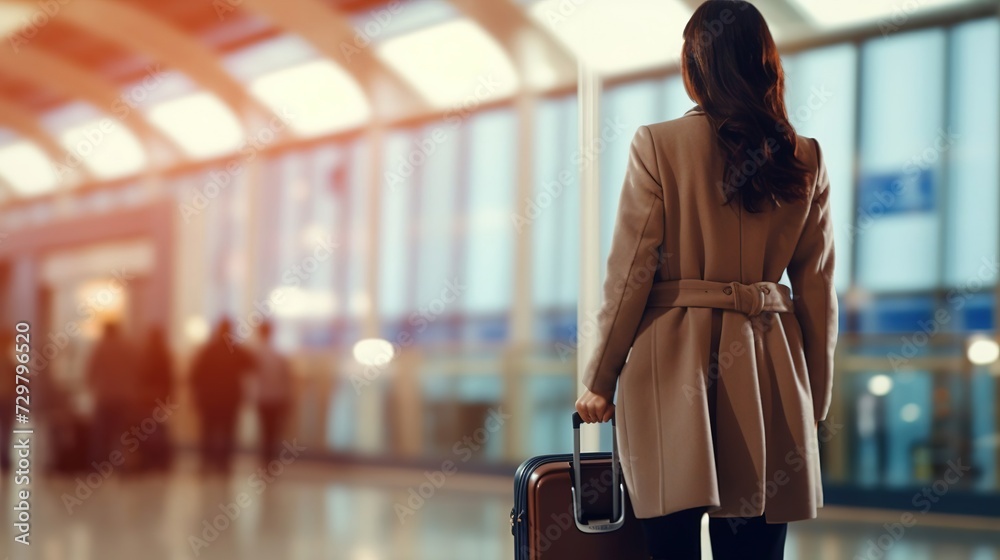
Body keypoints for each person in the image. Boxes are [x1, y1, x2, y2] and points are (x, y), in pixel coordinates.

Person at [574, 2, 837, 559]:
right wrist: (812, 396)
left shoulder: (658, 144)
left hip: (670, 371)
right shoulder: (804, 158)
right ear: (766, 64)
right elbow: (817, 289)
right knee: (756, 547)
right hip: (769, 373)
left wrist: (599, 379)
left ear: (696, 65)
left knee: (667, 544)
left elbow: (629, 275)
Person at [190, 318, 256, 474]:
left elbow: (194, 376)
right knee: (227, 432)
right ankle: (224, 464)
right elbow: (252, 364)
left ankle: (207, 462)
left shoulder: (209, 350)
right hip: (229, 399)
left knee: (208, 432)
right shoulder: (235, 350)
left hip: (210, 399)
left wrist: (197, 396)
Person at [86, 321, 139, 467]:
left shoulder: (101, 347)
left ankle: (99, 463)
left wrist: (91, 387)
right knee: (123, 433)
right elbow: (138, 370)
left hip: (105, 396)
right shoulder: (128, 347)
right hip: (124, 396)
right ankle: (123, 464)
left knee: (102, 434)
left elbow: (91, 370)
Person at [250, 320, 293, 467]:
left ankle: (265, 461)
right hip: (277, 397)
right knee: (273, 431)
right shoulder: (278, 355)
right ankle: (271, 460)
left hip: (263, 398)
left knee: (265, 431)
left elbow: (251, 379)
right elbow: (286, 378)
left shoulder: (255, 354)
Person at [137, 326, 174, 471]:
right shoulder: (164, 355)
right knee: (158, 429)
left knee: (146, 430)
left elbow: (140, 376)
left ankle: (148, 459)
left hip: (146, 397)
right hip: (159, 397)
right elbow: (169, 378)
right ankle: (159, 460)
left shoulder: (145, 354)